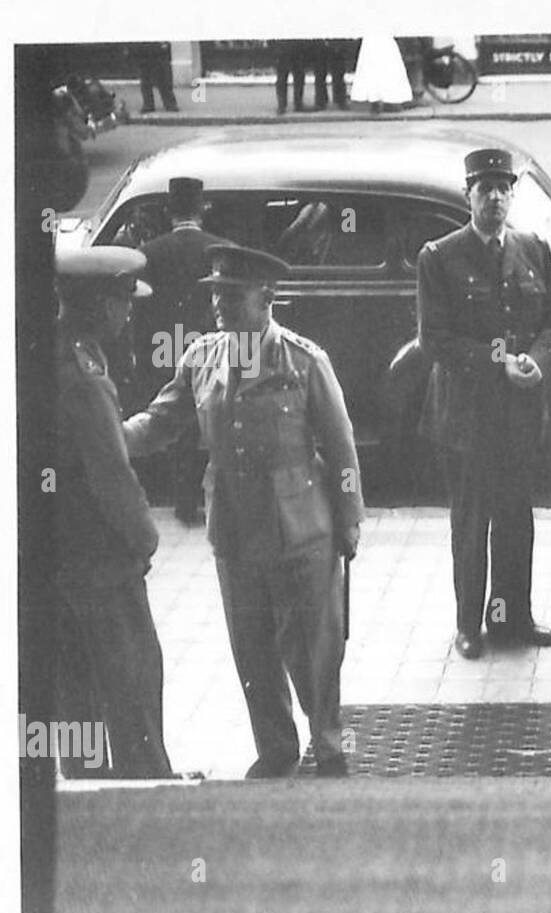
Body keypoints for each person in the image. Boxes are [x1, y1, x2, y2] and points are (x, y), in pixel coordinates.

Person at [123, 245, 364, 779]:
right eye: (215, 292)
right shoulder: (202, 357)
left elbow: (341, 447)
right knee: (252, 650)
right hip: (234, 529)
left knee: (313, 649)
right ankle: (276, 747)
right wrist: (110, 438)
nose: (219, 304)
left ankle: (328, 745)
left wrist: (349, 520)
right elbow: (162, 421)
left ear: (268, 298)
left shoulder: (304, 362)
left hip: (301, 528)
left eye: (233, 295)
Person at [417, 148, 551, 661]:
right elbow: (434, 339)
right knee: (470, 523)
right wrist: (501, 358)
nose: (496, 198)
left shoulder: (533, 249)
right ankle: (469, 626)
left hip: (519, 415)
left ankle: (511, 619)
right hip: (466, 419)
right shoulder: (439, 256)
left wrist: (537, 360)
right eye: (485, 189)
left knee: (515, 519)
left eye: (504, 189)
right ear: (469, 196)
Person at [53, 246, 173, 779]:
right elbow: (110, 475)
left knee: (75, 692)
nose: (129, 316)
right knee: (132, 684)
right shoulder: (84, 375)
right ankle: (146, 786)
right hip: (101, 560)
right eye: (124, 304)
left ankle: (87, 793)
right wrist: (145, 538)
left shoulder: (44, 354)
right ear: (101, 307)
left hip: (55, 559)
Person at [137, 177, 230, 526]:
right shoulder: (220, 248)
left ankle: (184, 502)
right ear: (202, 209)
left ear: (167, 212)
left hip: (166, 345)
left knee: (176, 423)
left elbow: (143, 310)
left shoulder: (149, 252)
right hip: (209, 346)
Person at [351, 34, 414, 112]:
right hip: (373, 39)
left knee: (387, 69)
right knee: (374, 68)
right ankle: (376, 100)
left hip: (383, 39)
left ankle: (388, 101)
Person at [128, 42, 178, 114]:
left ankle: (169, 103)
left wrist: (164, 42)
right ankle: (148, 104)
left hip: (157, 46)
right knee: (145, 77)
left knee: (162, 76)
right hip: (143, 47)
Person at [273, 39, 309, 115]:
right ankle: (294, 104)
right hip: (289, 46)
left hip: (288, 46)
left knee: (294, 76)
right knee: (289, 76)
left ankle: (283, 105)